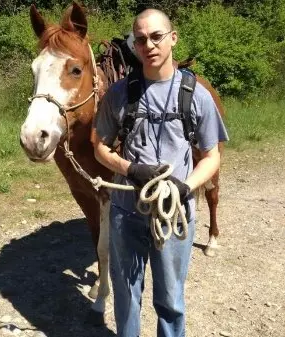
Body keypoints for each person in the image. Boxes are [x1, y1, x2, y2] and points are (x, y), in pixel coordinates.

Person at [93, 8, 229, 337]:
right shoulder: (118, 94)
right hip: (127, 215)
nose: (148, 45)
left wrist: (186, 187)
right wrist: (129, 169)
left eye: (156, 37)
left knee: (170, 300)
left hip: (174, 214)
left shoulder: (196, 96)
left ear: (172, 39)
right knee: (126, 298)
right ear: (134, 45)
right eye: (140, 40)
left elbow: (211, 156)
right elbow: (99, 145)